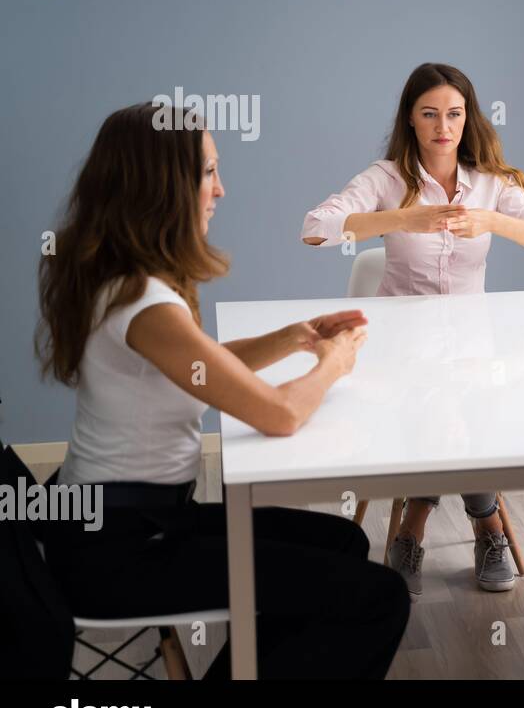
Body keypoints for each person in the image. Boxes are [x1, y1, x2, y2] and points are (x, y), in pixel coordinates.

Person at [36, 103, 411, 679]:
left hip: (115, 529)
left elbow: (196, 368)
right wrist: (334, 363)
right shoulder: (147, 302)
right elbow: (282, 415)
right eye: (209, 172)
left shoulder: (120, 275)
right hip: (121, 554)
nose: (221, 189)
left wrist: (295, 338)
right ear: (162, 185)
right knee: (379, 598)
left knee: (342, 543)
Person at [302, 63, 524, 595]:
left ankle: (413, 526)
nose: (442, 127)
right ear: (411, 118)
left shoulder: (492, 184)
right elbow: (314, 229)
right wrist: (402, 219)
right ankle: (487, 522)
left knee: (463, 394)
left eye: (453, 114)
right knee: (445, 402)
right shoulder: (385, 179)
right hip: (396, 346)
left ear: (467, 118)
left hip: (473, 342)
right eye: (429, 114)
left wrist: (493, 221)